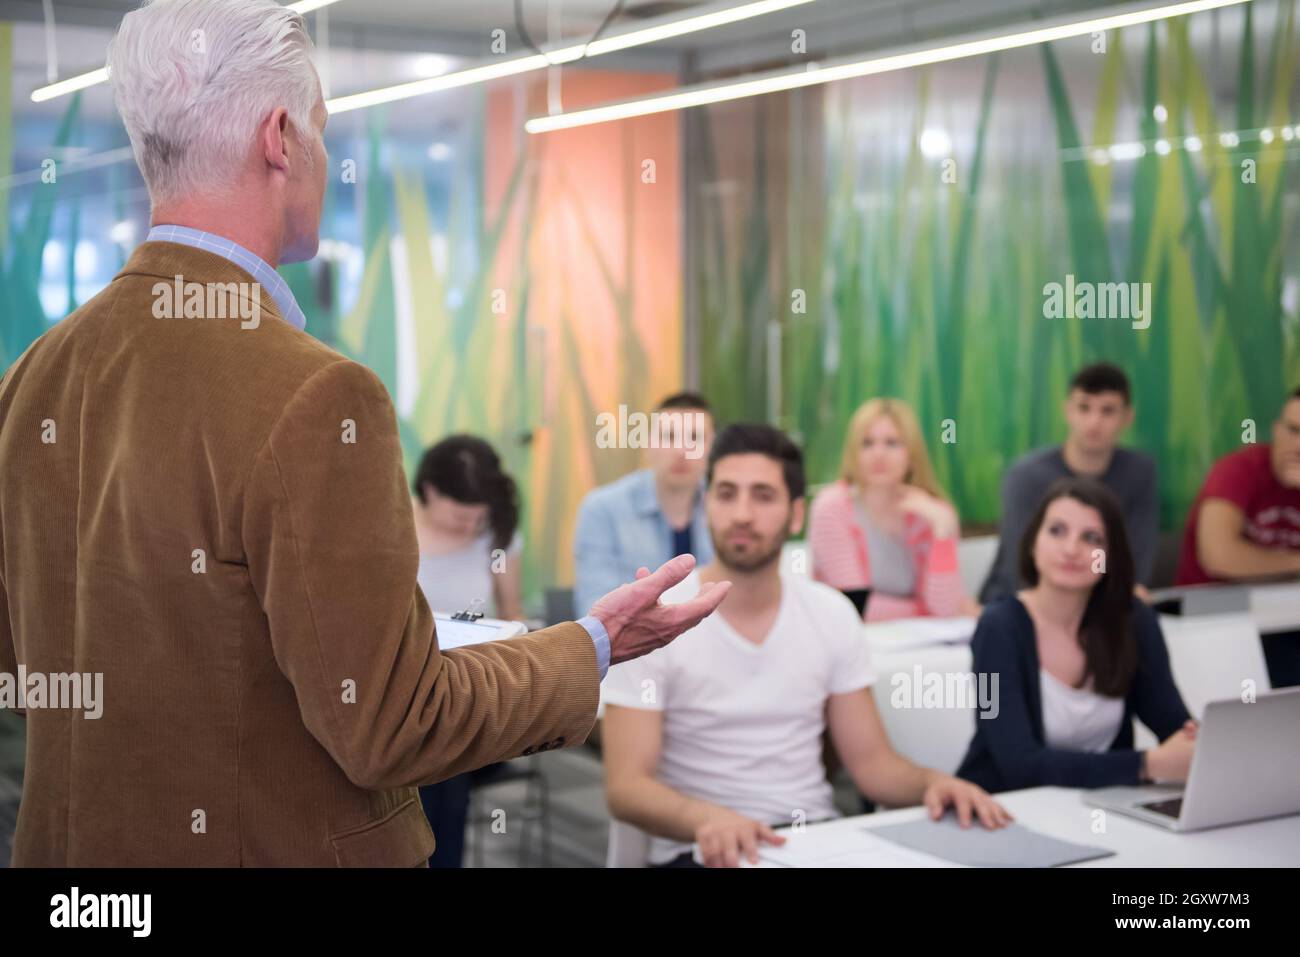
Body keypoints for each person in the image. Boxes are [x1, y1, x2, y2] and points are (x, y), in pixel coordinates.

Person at [0, 0, 728, 867]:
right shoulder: (315, 395)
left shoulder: (34, 375)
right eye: (320, 127)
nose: (325, 153)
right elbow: (393, 720)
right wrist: (592, 645)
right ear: (279, 138)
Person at [603, 424, 1010, 868]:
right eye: (725, 494)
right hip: (701, 849)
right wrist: (708, 819)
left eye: (763, 496)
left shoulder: (830, 613)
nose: (742, 513)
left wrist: (934, 783)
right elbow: (626, 788)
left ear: (796, 515)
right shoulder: (656, 620)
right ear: (706, 507)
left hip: (811, 841)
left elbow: (872, 765)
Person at [958, 478, 1195, 793]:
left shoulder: (1132, 618)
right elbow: (1018, 766)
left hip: (1101, 807)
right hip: (1003, 809)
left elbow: (1172, 724)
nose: (1071, 549)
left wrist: (1195, 743)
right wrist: (1145, 764)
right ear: (1033, 543)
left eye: (1091, 538)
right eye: (1056, 531)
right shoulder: (998, 627)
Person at [410, 435, 523, 867]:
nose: (469, 527)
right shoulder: (393, 526)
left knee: (441, 750)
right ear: (432, 491)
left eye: (478, 518)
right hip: (411, 698)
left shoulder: (495, 534)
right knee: (433, 752)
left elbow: (513, 616)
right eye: (460, 516)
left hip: (475, 700)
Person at [980, 363, 1158, 603]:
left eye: (1107, 411)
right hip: (1021, 603)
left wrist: (1107, 599)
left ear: (1127, 417)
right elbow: (1021, 565)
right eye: (1084, 408)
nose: (1094, 422)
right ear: (1068, 411)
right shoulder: (1027, 476)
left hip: (1101, 607)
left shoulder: (1139, 473)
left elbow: (1133, 562)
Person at [1176, 388, 1300, 687]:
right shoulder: (1238, 470)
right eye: (1293, 430)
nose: (1298, 445)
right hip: (1208, 612)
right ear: (1276, 429)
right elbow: (1219, 557)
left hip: (1288, 613)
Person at [808, 398, 971, 621]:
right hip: (846, 640)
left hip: (918, 645)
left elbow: (945, 609)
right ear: (853, 453)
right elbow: (854, 605)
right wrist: (922, 610)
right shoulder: (831, 508)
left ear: (912, 455)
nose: (879, 454)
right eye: (867, 443)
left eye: (892, 443)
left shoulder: (932, 513)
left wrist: (943, 531)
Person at [573, 392, 715, 614]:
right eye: (669, 437)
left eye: (694, 438)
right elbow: (595, 611)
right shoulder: (602, 509)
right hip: (636, 646)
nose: (681, 451)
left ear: (712, 447)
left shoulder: (730, 508)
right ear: (648, 444)